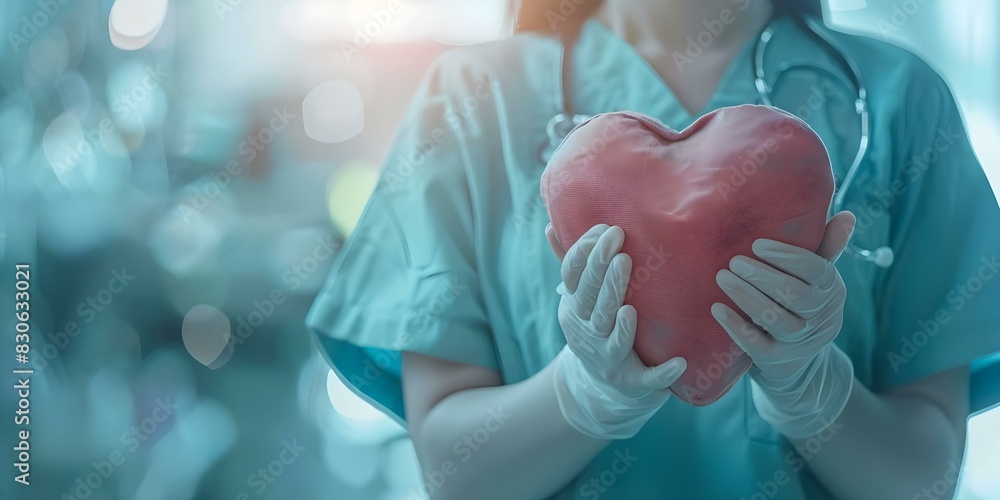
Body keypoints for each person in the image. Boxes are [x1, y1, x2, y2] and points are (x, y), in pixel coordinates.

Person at [306, 0, 1000, 498]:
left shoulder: (901, 102)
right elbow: (455, 477)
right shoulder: (468, 101)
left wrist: (817, 393)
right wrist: (582, 396)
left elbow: (926, 479)